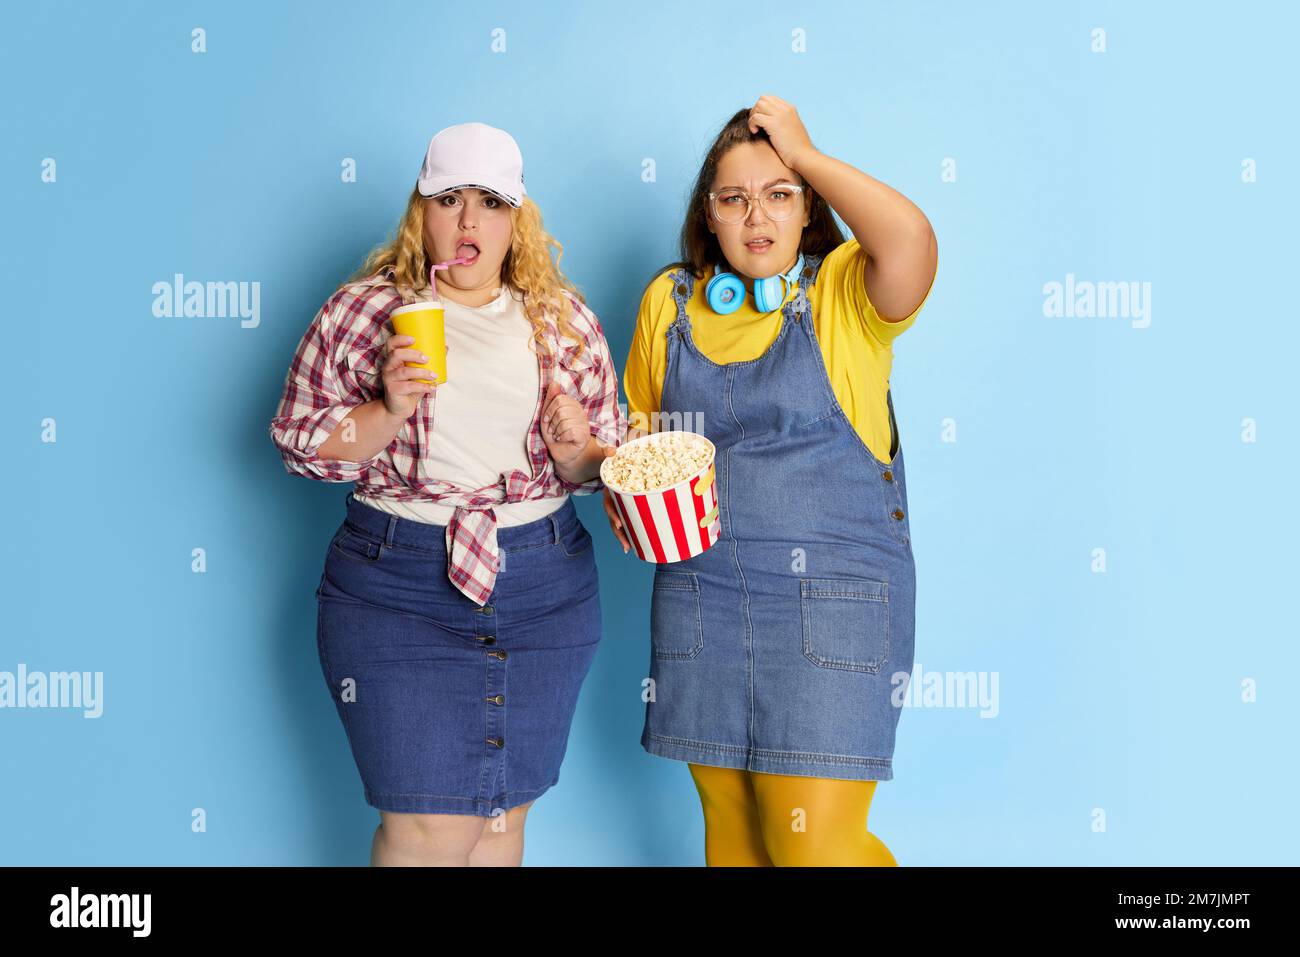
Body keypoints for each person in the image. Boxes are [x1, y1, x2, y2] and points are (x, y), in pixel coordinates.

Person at [269, 122, 624, 866]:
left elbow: (605, 469)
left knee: (500, 824)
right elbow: (300, 443)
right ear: (419, 211)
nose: (468, 222)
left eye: (491, 202)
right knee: (428, 834)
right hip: (397, 586)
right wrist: (386, 407)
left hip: (544, 581)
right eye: (449, 199)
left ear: (516, 219)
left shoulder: (562, 322)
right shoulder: (363, 314)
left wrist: (578, 453)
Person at [609, 96, 938, 866]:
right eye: (734, 198)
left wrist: (808, 152)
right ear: (710, 215)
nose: (757, 215)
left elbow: (913, 242)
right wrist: (593, 465)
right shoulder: (671, 301)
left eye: (780, 193)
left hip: (833, 606)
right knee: (734, 839)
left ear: (808, 209)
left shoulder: (844, 293)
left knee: (815, 849)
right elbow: (638, 441)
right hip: (702, 595)